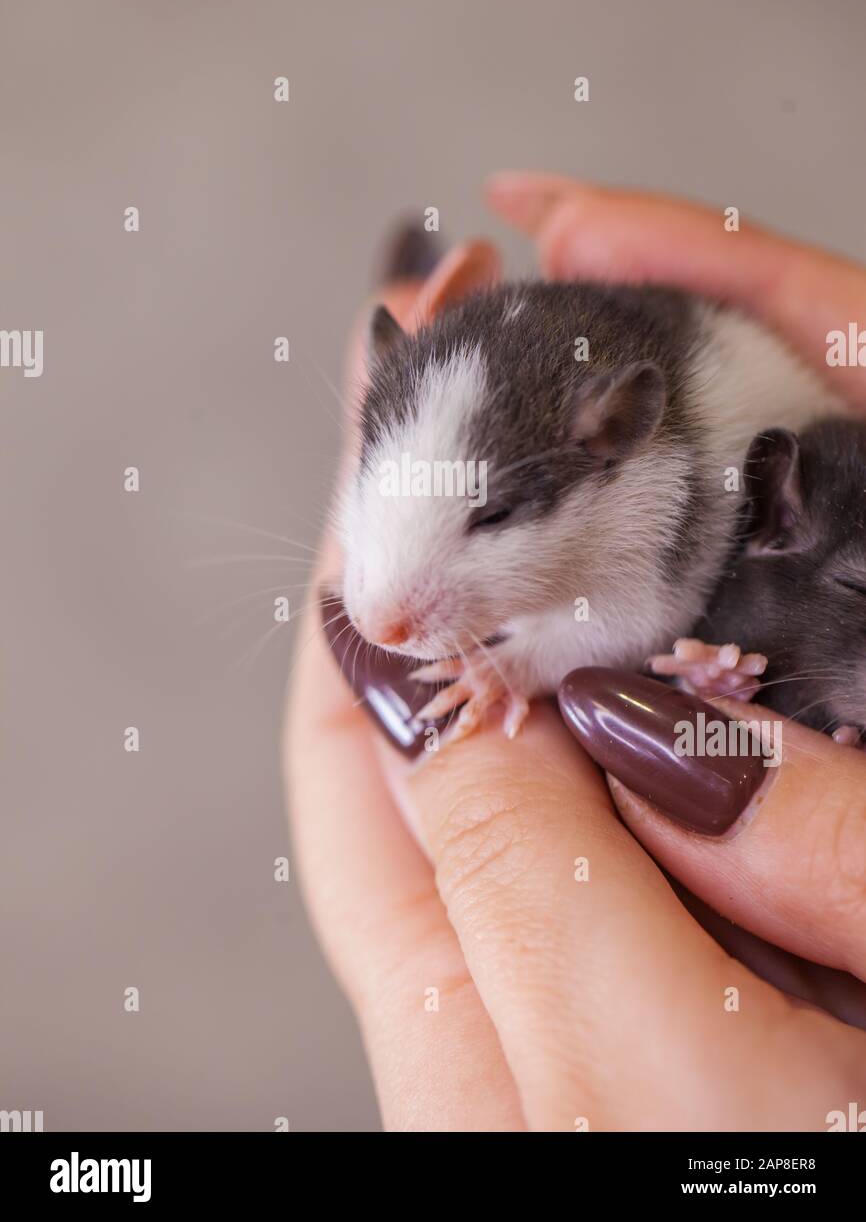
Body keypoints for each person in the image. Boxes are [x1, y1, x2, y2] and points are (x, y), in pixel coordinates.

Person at [284, 172, 866, 1131]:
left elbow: (636, 614)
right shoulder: (515, 420)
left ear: (611, 442)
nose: (381, 619)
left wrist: (522, 661)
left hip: (748, 617)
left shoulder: (647, 479)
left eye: (491, 520)